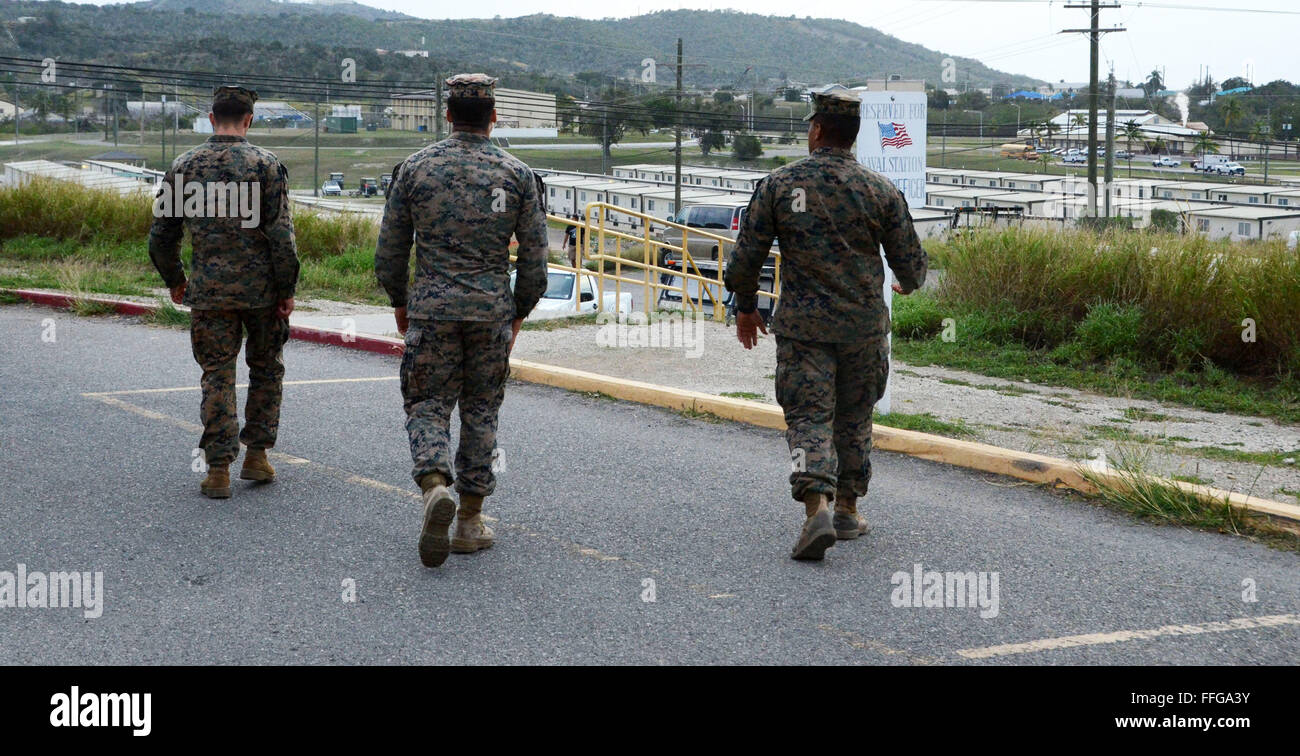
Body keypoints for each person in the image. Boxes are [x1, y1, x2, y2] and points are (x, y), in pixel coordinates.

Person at [723, 89, 928, 561]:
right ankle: (848, 511)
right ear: (853, 136)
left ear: (816, 130)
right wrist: (906, 284)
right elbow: (912, 266)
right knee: (854, 418)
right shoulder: (880, 189)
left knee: (809, 418)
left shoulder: (779, 184)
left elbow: (744, 261)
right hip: (863, 330)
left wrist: (749, 308)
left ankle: (817, 505)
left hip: (805, 332)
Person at [375, 73, 549, 568]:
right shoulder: (517, 175)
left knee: (428, 404)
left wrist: (400, 301)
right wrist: (518, 312)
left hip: (431, 309)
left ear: (447, 114)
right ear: (494, 116)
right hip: (491, 311)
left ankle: (434, 486)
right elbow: (536, 260)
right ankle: (470, 521)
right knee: (480, 410)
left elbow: (390, 250)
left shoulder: (414, 169)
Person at [148, 85, 299, 499]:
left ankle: (217, 470)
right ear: (248, 120)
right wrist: (287, 288)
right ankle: (257, 457)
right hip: (263, 294)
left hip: (210, 293)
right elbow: (282, 237)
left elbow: (161, 236)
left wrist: (176, 279)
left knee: (217, 373)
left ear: (212, 119)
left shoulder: (183, 166)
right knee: (266, 370)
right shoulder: (266, 166)